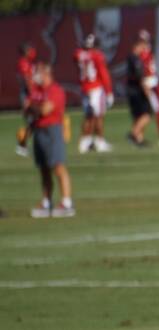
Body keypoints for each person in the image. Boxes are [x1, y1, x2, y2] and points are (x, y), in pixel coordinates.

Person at [25, 62, 74, 218]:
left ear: (46, 74)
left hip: (52, 130)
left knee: (58, 166)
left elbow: (46, 110)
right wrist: (34, 108)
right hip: (38, 130)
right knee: (44, 168)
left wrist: (34, 107)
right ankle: (47, 201)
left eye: (38, 72)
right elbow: (26, 109)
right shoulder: (36, 91)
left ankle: (66, 202)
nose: (35, 75)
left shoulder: (55, 90)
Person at [74, 33, 113, 154]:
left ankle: (84, 142)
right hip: (96, 88)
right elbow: (104, 74)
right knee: (98, 116)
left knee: (88, 116)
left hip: (85, 88)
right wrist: (109, 91)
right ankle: (99, 142)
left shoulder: (78, 54)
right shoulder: (97, 55)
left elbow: (79, 56)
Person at [126, 31, 154, 146]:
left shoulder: (131, 57)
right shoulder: (136, 59)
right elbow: (139, 76)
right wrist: (146, 89)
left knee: (138, 115)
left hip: (132, 89)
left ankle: (139, 139)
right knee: (147, 114)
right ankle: (134, 133)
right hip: (137, 90)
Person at [15, 42, 37, 158]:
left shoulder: (28, 63)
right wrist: (33, 95)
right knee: (31, 121)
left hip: (30, 95)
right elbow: (27, 80)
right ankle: (21, 145)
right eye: (30, 50)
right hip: (27, 95)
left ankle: (23, 145)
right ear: (25, 51)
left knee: (34, 122)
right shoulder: (23, 63)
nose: (32, 52)